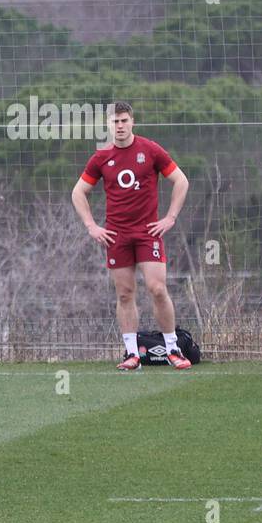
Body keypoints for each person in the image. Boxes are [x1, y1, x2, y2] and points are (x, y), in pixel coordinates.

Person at [71, 102, 192, 370]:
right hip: (117, 237)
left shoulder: (150, 150)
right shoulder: (101, 157)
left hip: (148, 233)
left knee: (157, 288)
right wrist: (92, 226)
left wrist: (170, 218)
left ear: (132, 122)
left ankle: (172, 349)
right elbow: (78, 192)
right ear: (108, 125)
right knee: (125, 294)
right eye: (115, 122)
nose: (120, 126)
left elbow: (181, 181)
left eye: (124, 121)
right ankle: (132, 354)